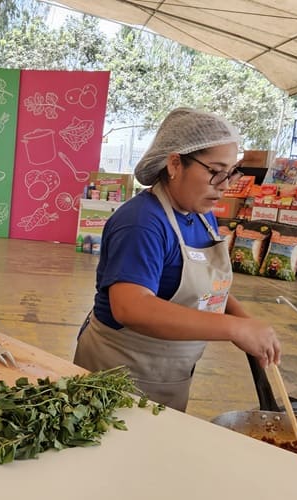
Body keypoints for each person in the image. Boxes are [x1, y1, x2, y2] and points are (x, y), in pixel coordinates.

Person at [73, 107, 282, 412]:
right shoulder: (142, 222)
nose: (224, 184)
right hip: (119, 373)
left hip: (170, 374)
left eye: (231, 172)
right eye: (215, 171)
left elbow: (207, 288)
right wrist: (232, 328)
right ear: (174, 164)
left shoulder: (203, 217)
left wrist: (244, 320)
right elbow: (131, 307)